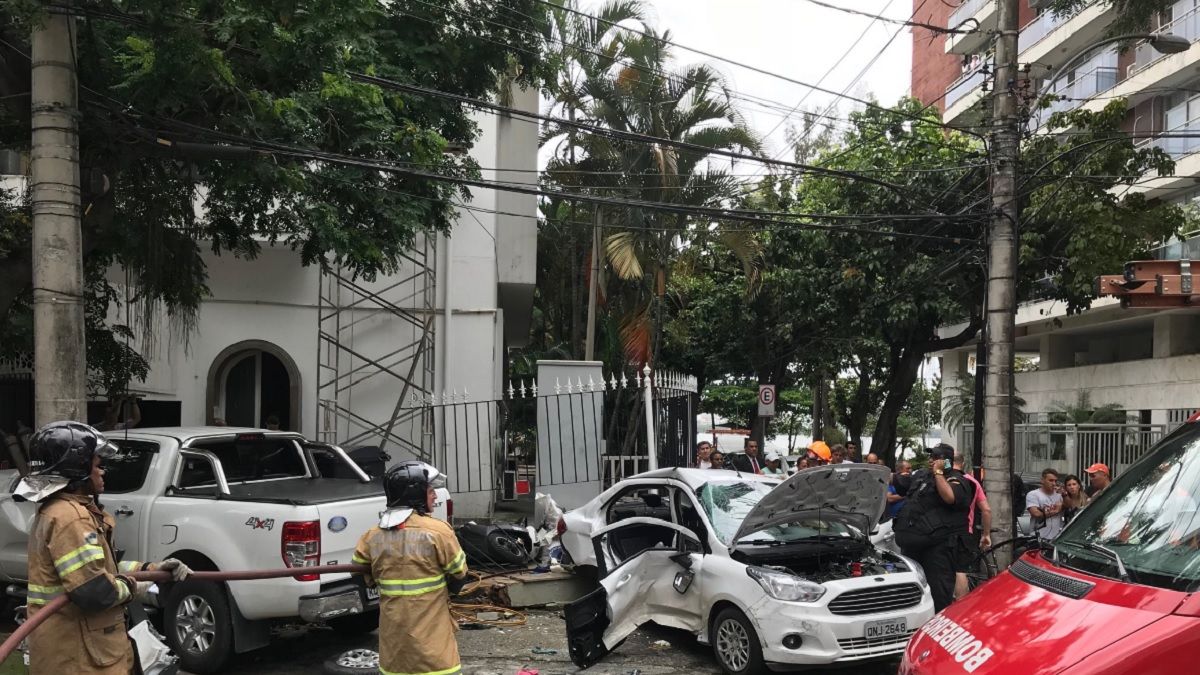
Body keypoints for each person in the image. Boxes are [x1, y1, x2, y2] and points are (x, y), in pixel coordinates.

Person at [17, 421, 192, 674]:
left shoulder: (61, 512)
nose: (103, 472)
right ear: (77, 469)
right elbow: (94, 591)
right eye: (98, 465)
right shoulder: (71, 518)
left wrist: (153, 569)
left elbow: (102, 567)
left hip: (73, 649)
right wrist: (137, 586)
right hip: (79, 656)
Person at [352, 461, 468, 675]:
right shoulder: (438, 531)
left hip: (395, 650)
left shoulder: (372, 535)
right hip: (434, 651)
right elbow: (459, 572)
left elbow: (359, 571)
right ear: (415, 494)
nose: (434, 496)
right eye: (430, 490)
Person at [893, 443, 974, 612]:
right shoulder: (922, 476)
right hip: (913, 546)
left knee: (938, 595)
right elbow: (901, 483)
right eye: (931, 457)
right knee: (913, 594)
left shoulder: (957, 479)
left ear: (947, 461)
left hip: (939, 551)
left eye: (936, 458)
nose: (932, 461)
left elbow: (950, 497)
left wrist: (938, 473)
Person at [952, 454, 992, 599]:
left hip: (942, 531)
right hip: (965, 530)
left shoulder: (943, 479)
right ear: (962, 463)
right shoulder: (973, 482)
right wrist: (986, 535)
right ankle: (961, 605)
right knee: (960, 570)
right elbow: (986, 510)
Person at [1027, 468, 1065, 541]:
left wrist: (1065, 495)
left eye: (1055, 481)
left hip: (1056, 537)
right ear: (1042, 480)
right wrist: (1056, 511)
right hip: (1038, 537)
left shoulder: (1059, 495)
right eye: (1050, 480)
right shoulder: (1033, 494)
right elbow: (1036, 513)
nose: (1054, 483)